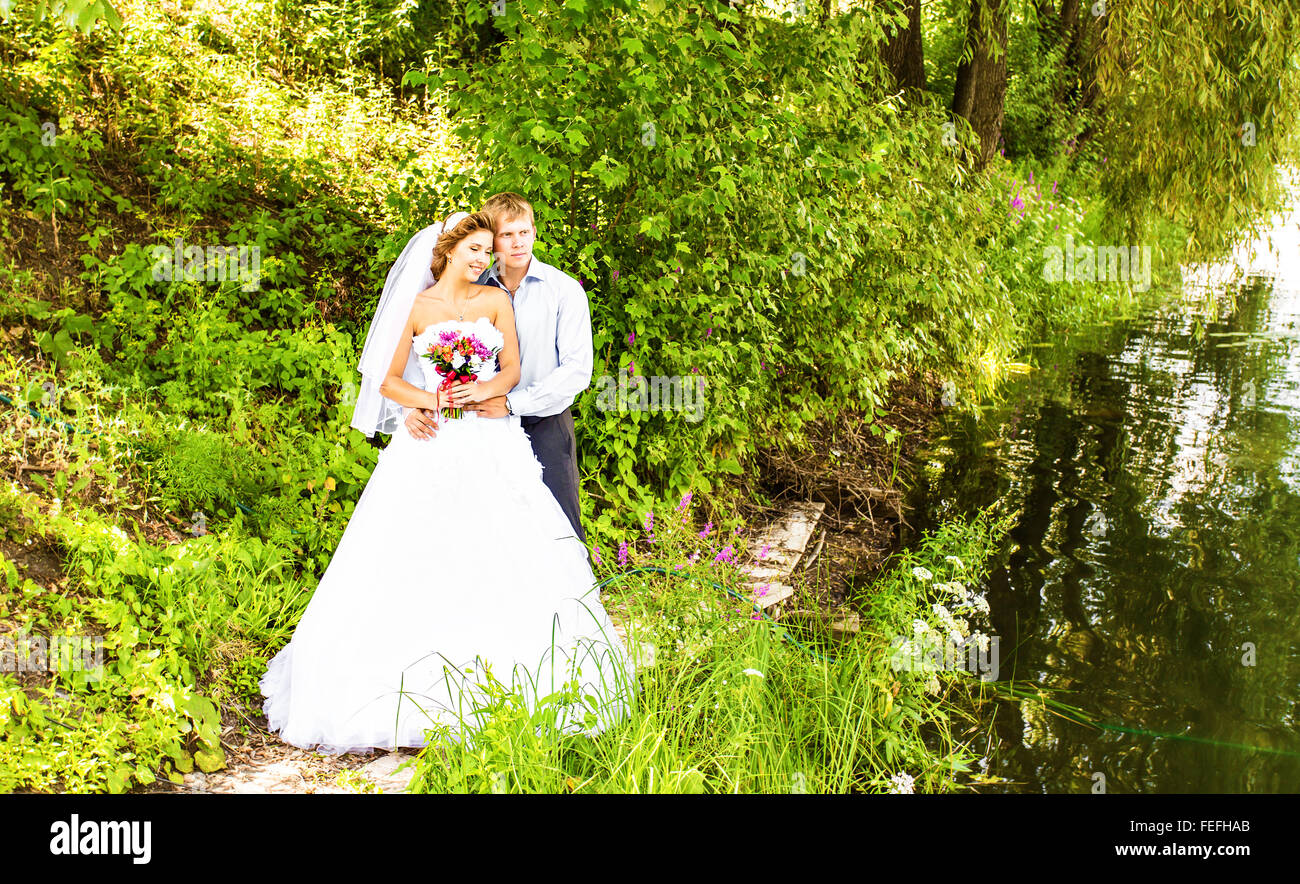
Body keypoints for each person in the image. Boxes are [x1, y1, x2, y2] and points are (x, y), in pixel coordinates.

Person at [258, 211, 635, 755]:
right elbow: (389, 381)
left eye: (490, 250)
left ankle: (510, 683)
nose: (486, 259)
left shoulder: (496, 302)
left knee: (504, 546)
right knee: (417, 548)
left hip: (490, 436)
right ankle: (405, 685)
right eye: (477, 250)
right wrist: (428, 400)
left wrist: (481, 391)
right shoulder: (418, 307)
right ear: (449, 252)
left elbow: (510, 370)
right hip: (432, 441)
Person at [403, 193, 591, 545]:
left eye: (524, 232)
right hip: (481, 429)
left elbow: (577, 370)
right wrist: (410, 405)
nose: (518, 242)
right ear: (492, 240)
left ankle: (571, 601)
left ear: (534, 231)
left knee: (561, 530)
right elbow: (423, 351)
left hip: (545, 422)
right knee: (494, 532)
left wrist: (511, 404)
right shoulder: (472, 286)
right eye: (507, 235)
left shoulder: (564, 291)